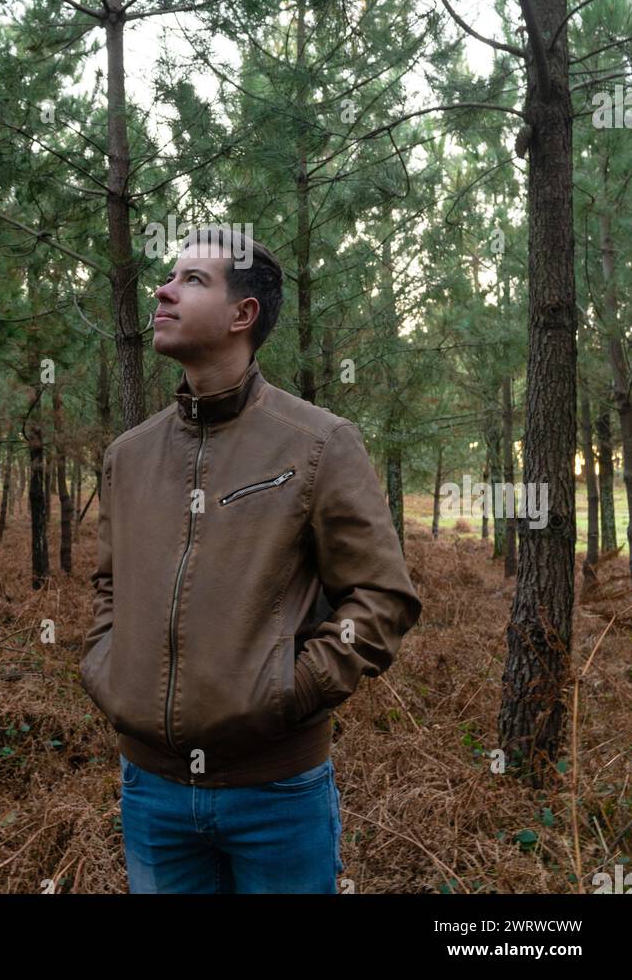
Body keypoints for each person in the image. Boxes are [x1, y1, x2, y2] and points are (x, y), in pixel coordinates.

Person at [79, 225, 422, 893]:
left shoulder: (319, 444)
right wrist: (105, 671)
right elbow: (108, 586)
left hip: (278, 796)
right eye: (169, 278)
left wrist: (286, 693)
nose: (163, 290)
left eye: (191, 281)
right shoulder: (131, 455)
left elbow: (382, 598)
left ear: (243, 314)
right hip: (152, 792)